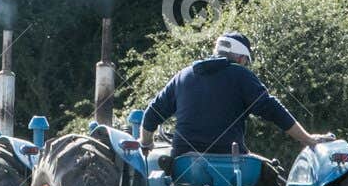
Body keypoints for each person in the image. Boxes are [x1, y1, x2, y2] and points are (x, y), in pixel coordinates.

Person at [139, 32, 332, 156]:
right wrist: (308, 139)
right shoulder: (241, 74)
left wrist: (146, 144)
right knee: (269, 183)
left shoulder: (184, 75)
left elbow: (152, 113)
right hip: (230, 161)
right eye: (246, 62)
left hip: (184, 161)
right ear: (240, 58)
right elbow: (272, 109)